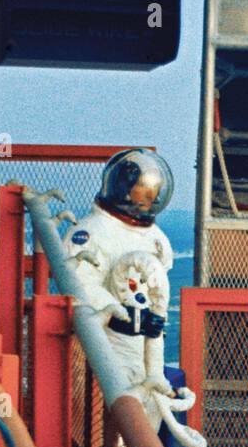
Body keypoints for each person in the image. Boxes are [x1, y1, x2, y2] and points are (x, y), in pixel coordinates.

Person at [61, 149, 175, 400]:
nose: (151, 195)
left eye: (153, 189)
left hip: (145, 345)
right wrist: (122, 313)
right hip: (104, 342)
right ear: (125, 188)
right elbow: (80, 285)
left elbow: (157, 286)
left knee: (149, 406)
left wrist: (151, 318)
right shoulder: (90, 233)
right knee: (112, 409)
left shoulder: (156, 238)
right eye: (143, 188)